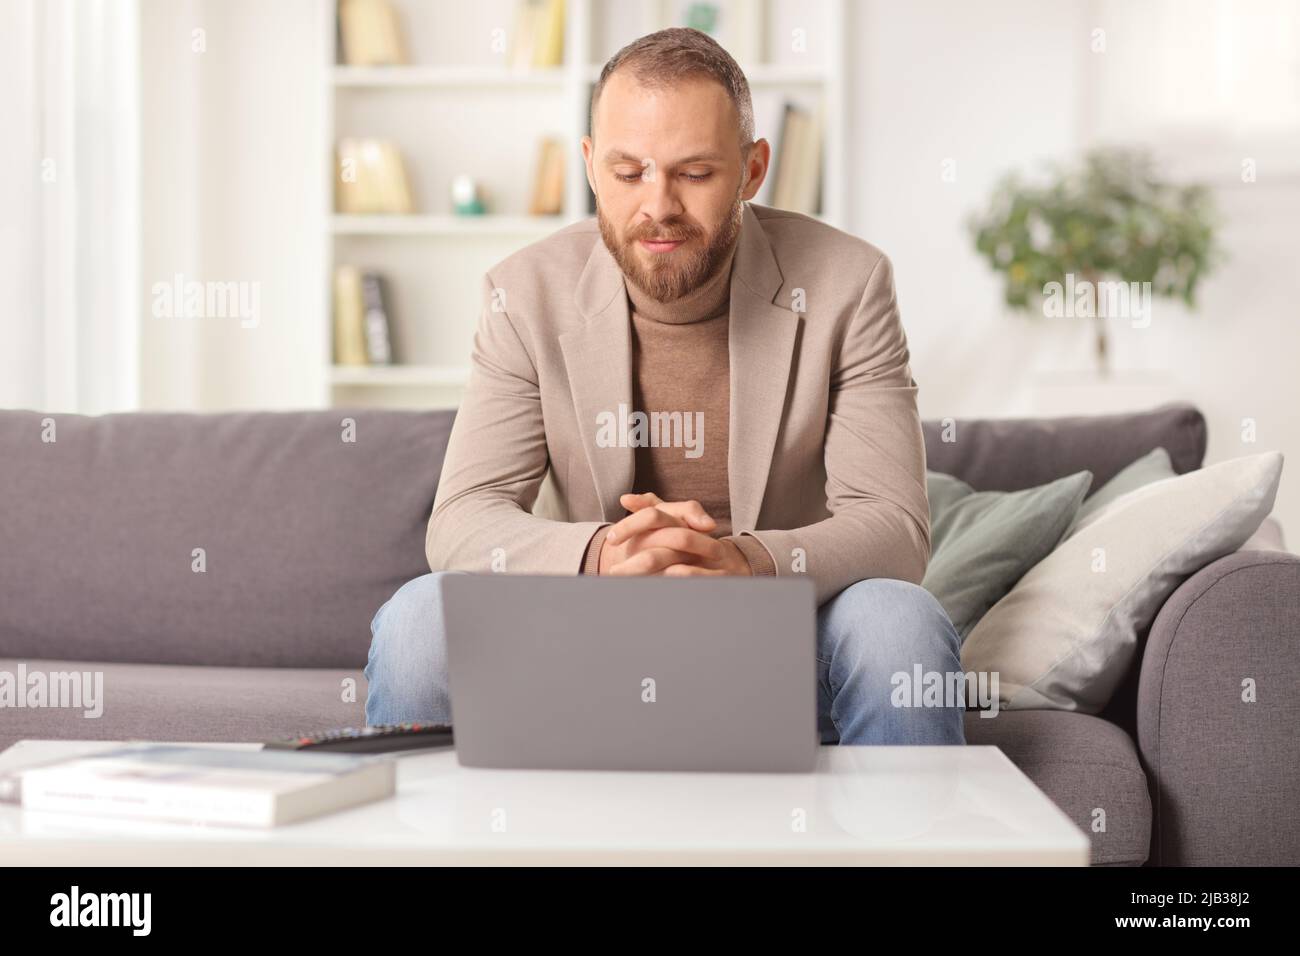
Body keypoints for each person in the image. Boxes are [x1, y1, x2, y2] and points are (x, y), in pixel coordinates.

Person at [365, 28, 964, 746]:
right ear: (590, 165)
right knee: (415, 619)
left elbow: (895, 529)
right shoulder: (522, 295)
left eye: (695, 172)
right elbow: (462, 518)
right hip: (587, 634)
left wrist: (744, 561)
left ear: (752, 169)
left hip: (773, 638)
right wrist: (603, 558)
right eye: (629, 172)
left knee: (900, 623)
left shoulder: (848, 284)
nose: (659, 205)